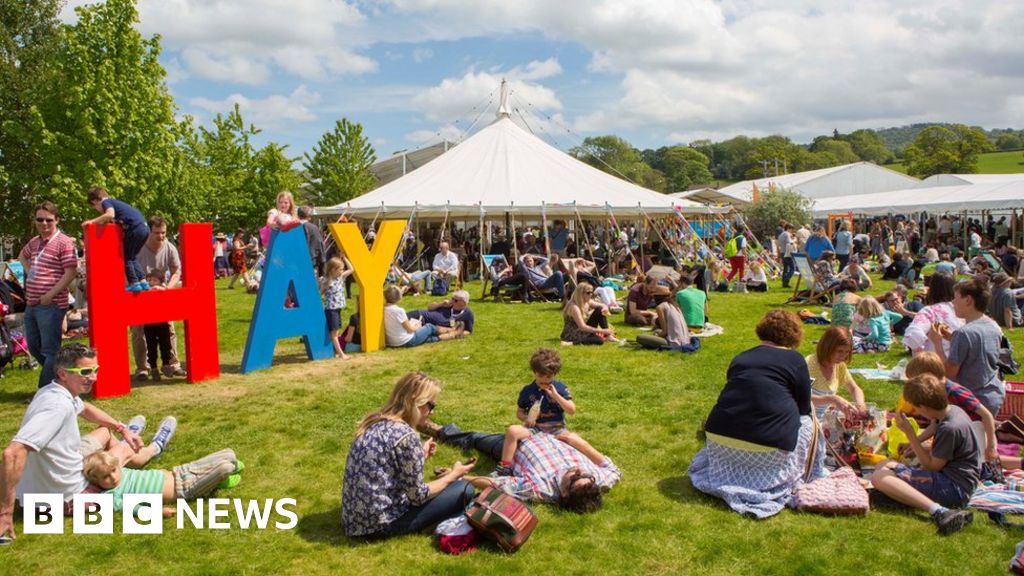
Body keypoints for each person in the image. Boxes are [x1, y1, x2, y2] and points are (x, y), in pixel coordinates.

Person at [0, 344, 177, 541]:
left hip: (51, 477)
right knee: (123, 450)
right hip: (66, 496)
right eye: (85, 372)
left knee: (105, 431)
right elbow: (12, 453)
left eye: (95, 370)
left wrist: (121, 428)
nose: (93, 377)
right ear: (63, 374)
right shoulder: (57, 407)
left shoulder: (53, 390)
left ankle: (131, 433)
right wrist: (5, 513)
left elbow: (84, 408)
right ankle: (154, 448)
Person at [689, 310, 824, 518]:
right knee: (808, 421)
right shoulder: (795, 360)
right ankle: (806, 471)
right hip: (767, 452)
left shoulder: (741, 357)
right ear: (794, 335)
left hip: (719, 443)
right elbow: (804, 407)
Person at [341, 373, 476, 537]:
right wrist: (454, 475)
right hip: (381, 525)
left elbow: (386, 465)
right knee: (464, 488)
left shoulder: (374, 422)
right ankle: (432, 526)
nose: (431, 413)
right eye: (431, 405)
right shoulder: (407, 436)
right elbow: (418, 496)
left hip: (354, 521)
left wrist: (419, 455)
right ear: (416, 401)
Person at [424, 421, 621, 513]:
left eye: (575, 478)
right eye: (585, 475)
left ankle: (439, 430)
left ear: (564, 493)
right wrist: (578, 442)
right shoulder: (598, 481)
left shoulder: (540, 488)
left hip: (515, 446)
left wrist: (457, 476)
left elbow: (498, 484)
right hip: (548, 433)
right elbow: (612, 469)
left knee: (475, 438)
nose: (578, 471)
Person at [870, 374, 979, 535]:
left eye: (916, 408)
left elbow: (931, 466)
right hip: (960, 480)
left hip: (955, 489)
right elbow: (934, 428)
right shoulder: (953, 411)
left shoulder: (950, 428)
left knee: (879, 477)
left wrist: (910, 435)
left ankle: (940, 511)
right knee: (883, 465)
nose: (916, 412)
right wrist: (913, 446)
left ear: (923, 407)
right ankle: (902, 496)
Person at [492, 348, 603, 474]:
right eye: (540, 375)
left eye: (549, 376)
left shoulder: (560, 388)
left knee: (575, 439)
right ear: (534, 372)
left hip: (557, 429)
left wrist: (556, 396)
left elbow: (572, 410)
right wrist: (527, 418)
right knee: (513, 431)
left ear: (555, 374)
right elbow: (519, 412)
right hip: (535, 428)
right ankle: (505, 467)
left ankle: (599, 464)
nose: (544, 379)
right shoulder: (528, 391)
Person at [18, 201, 79, 388]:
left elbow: (71, 272)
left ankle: (44, 391)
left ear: (57, 220)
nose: (44, 223)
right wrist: (31, 270)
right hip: (32, 303)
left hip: (51, 305)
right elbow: (22, 256)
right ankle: (61, 378)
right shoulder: (35, 242)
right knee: (33, 346)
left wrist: (50, 295)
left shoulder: (64, 242)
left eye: (49, 220)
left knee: (50, 350)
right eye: (40, 220)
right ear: (35, 220)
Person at [84, 447, 242, 517]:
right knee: (226, 467)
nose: (113, 477)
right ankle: (219, 481)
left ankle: (219, 478)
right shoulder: (110, 495)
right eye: (106, 477)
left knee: (229, 453)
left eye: (113, 470)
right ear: (95, 479)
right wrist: (158, 512)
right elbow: (131, 508)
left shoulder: (121, 470)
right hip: (183, 489)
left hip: (180, 471)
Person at [928, 278, 1005, 416]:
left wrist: (937, 343)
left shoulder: (963, 333)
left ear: (968, 300)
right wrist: (952, 338)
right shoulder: (993, 326)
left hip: (970, 402)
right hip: (992, 396)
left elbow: (948, 374)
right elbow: (979, 351)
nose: (953, 303)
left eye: (956, 298)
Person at [903, 353, 997, 463]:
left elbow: (987, 415)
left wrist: (990, 446)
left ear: (928, 377)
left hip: (975, 435)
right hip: (957, 438)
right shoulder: (934, 394)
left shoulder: (956, 392)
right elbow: (934, 424)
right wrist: (914, 443)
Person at [130, 215, 187, 381]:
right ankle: (143, 368)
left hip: (161, 293)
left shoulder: (169, 248)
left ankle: (173, 364)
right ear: (149, 231)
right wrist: (141, 287)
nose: (161, 236)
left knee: (169, 329)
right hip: (140, 294)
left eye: (163, 233)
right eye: (157, 233)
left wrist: (167, 288)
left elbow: (176, 271)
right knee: (139, 331)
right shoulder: (137, 247)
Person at [83, 187, 150, 291]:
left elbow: (110, 214)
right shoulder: (118, 204)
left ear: (94, 201)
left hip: (135, 228)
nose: (98, 210)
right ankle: (143, 282)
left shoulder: (106, 202)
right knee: (132, 257)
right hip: (144, 228)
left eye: (94, 207)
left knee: (125, 256)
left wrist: (92, 221)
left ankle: (134, 283)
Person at [806, 327, 865, 417]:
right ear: (827, 347)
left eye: (847, 351)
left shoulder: (839, 366)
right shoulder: (811, 364)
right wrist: (832, 399)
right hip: (806, 418)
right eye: (839, 351)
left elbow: (854, 388)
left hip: (823, 418)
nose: (843, 356)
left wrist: (860, 405)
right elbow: (803, 399)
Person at [903, 272, 964, 355]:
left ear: (931, 289)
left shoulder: (929, 311)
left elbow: (913, 334)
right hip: (961, 359)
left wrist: (919, 352)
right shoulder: (964, 309)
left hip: (936, 359)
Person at [383, 286, 463, 348]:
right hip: (405, 340)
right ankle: (453, 330)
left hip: (392, 342)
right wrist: (417, 327)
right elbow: (410, 330)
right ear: (399, 297)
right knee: (429, 327)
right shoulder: (399, 311)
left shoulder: (383, 308)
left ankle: (453, 334)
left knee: (427, 339)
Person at [141, 271, 174, 382]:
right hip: (149, 324)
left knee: (166, 344)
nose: (152, 283)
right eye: (149, 280)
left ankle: (166, 364)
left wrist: (162, 289)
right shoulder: (144, 291)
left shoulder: (163, 290)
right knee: (151, 346)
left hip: (162, 323)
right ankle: (153, 368)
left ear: (160, 282)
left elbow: (169, 296)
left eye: (155, 280)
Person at [637, 282, 689, 349]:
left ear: (657, 297)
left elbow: (664, 332)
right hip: (686, 341)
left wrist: (657, 336)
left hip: (674, 343)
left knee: (640, 337)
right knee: (656, 331)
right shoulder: (676, 306)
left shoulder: (660, 307)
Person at [321, 257, 352, 359]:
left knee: (336, 332)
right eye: (340, 269)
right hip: (331, 310)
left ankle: (334, 351)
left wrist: (344, 258)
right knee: (334, 333)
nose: (342, 271)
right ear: (333, 270)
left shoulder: (340, 278)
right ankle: (341, 354)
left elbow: (351, 269)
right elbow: (320, 293)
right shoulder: (326, 281)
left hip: (338, 309)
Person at [408, 290, 476, 335]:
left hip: (426, 325)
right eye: (452, 299)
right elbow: (429, 308)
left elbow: (468, 331)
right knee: (403, 323)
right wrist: (441, 304)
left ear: (463, 302)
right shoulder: (448, 305)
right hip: (420, 315)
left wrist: (456, 333)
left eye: (455, 300)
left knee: (407, 332)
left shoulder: (467, 313)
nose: (452, 301)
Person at [778, 223, 796, 288]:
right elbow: (789, 242)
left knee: (785, 268)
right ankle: (785, 280)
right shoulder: (787, 234)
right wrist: (794, 239)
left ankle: (784, 284)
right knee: (792, 268)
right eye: (792, 229)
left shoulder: (781, 234)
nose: (792, 231)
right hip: (787, 253)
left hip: (782, 252)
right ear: (788, 228)